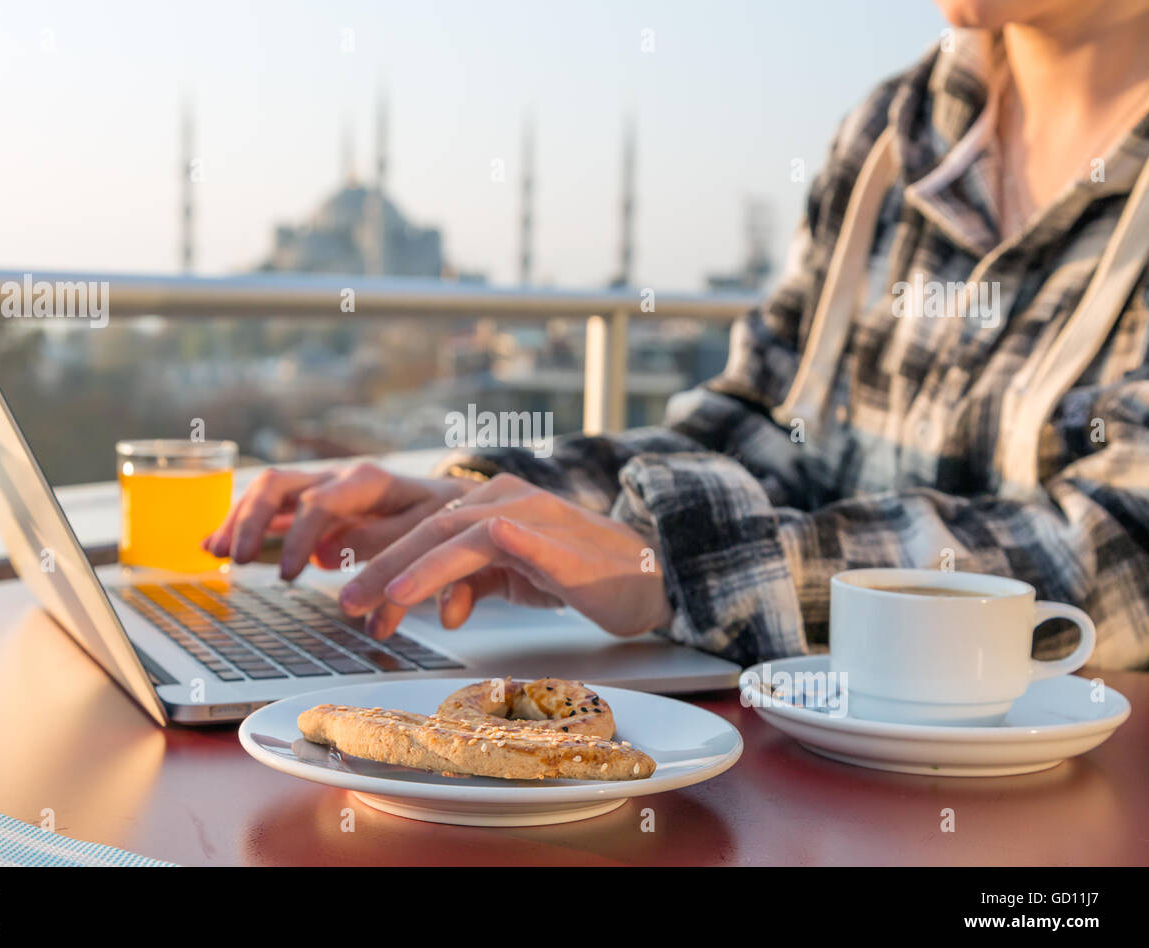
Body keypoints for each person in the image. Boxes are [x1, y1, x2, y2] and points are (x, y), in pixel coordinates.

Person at [206, 0, 1149, 669]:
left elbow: (1120, 552)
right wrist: (494, 507)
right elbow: (758, 432)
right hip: (818, 756)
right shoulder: (892, 139)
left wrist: (684, 569)